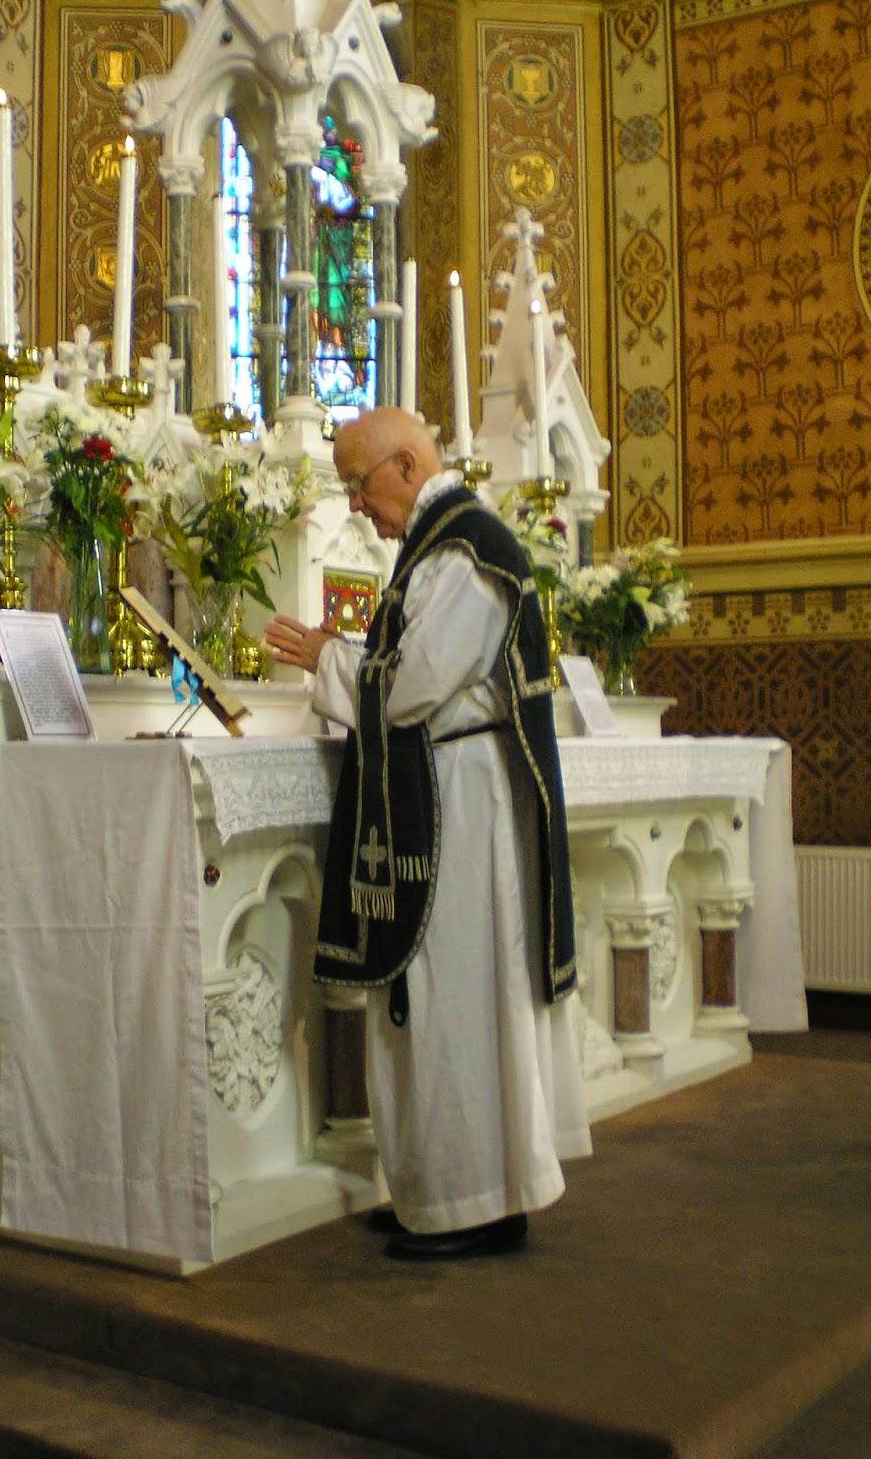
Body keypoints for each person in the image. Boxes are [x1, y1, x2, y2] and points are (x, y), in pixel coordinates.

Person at [265, 406, 590, 1260]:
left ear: (406, 467)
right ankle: (463, 1191)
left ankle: (469, 1201)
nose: (357, 505)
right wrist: (343, 657)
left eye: (358, 483)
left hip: (459, 805)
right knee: (447, 1002)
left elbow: (416, 686)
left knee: (453, 1002)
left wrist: (329, 659)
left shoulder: (465, 549)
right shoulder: (442, 545)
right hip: (448, 790)